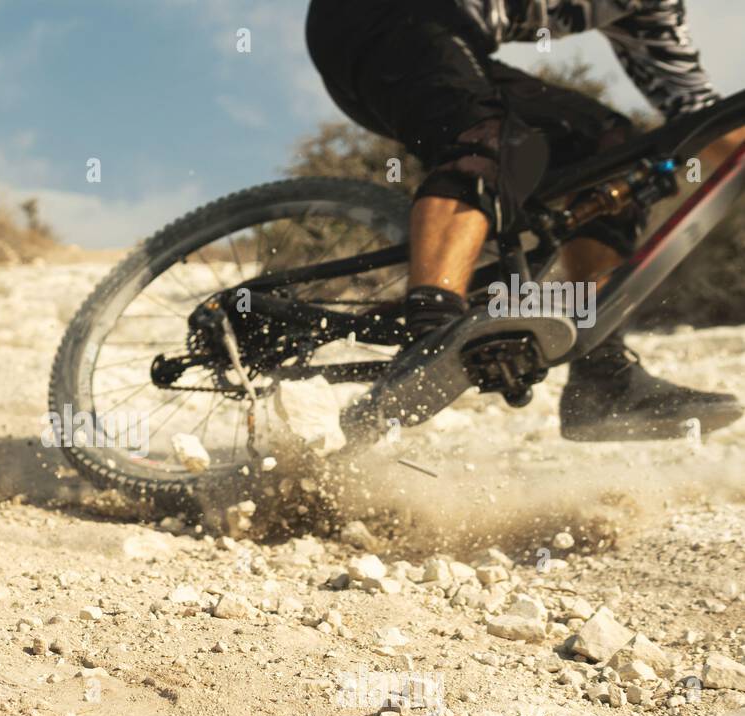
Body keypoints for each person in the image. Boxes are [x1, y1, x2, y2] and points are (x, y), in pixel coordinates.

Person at [305, 0, 745, 440]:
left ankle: (601, 375)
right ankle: (431, 326)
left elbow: (700, 112)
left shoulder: (654, 9)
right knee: (488, 140)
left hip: (444, 39)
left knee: (608, 151)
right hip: (376, 17)